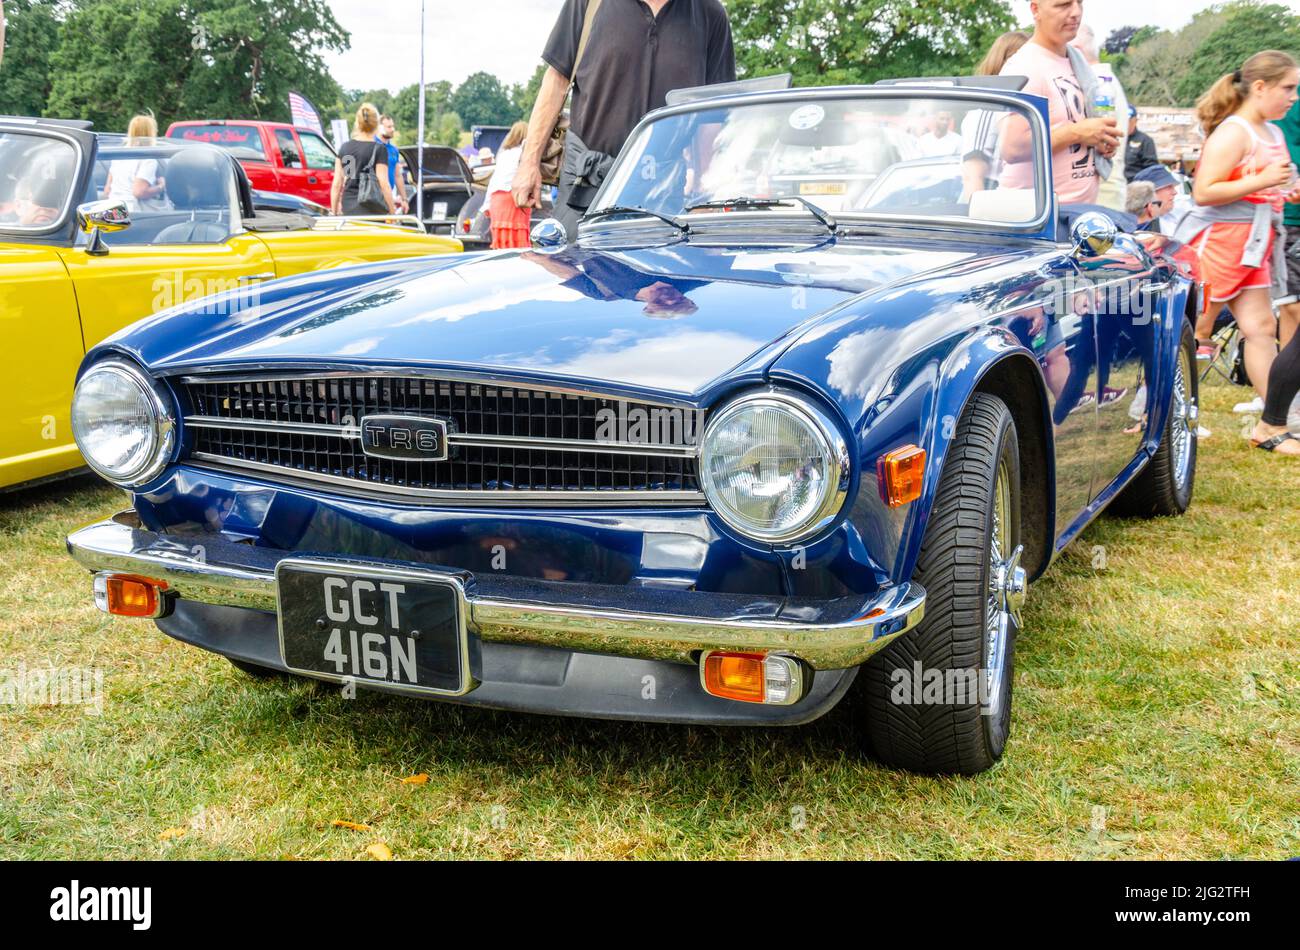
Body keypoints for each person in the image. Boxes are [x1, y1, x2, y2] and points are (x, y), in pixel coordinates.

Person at [512, 0, 737, 236]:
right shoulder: (588, 3)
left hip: (663, 195)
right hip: (585, 185)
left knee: (660, 261)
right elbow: (557, 80)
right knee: (573, 260)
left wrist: (704, 195)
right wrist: (529, 163)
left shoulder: (710, 13)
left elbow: (711, 115)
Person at [1172, 50, 1300, 410]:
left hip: (1254, 245)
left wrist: (1286, 191)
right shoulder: (1233, 132)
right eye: (1288, 88)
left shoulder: (1273, 131)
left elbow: (1268, 185)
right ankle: (1151, 412)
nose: (1294, 97)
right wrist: (1263, 180)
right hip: (1218, 244)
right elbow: (1204, 191)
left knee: (1261, 328)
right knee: (1194, 330)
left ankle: (1278, 415)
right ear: (1260, 87)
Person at [997, 0, 1120, 206]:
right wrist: (1077, 133)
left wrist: (1098, 139)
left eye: (1079, 2)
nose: (1076, 12)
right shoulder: (1025, 65)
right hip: (1038, 216)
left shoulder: (1076, 59)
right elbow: (1012, 148)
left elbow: (1072, 125)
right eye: (1063, 5)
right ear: (1035, 9)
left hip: (1075, 212)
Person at [961, 30, 1030, 199]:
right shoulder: (987, 108)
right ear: (1002, 61)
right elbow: (972, 176)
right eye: (1018, 59)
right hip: (994, 202)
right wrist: (982, 214)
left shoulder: (1023, 108)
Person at [1070, 23, 1129, 212]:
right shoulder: (1106, 81)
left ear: (1076, 49)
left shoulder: (1096, 85)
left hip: (1100, 192)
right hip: (1108, 189)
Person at [331, 103, 398, 217]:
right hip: (372, 206)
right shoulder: (379, 149)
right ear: (376, 124)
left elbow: (337, 184)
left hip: (348, 206)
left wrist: (334, 212)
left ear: (357, 123)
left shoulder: (344, 148)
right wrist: (392, 212)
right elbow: (384, 183)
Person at [102, 114, 169, 214]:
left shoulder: (118, 155)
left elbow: (107, 190)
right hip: (134, 213)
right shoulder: (147, 159)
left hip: (113, 210)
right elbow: (139, 192)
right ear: (150, 133)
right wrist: (161, 186)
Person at [483, 122, 531, 249]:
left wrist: (486, 205)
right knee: (518, 240)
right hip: (514, 198)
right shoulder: (524, 154)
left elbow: (493, 181)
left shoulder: (503, 155)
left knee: (500, 240)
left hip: (496, 200)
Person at [1129, 164, 1180, 232]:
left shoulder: (1175, 215)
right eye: (1169, 187)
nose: (1175, 192)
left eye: (1173, 187)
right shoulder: (1133, 227)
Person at [376, 115, 408, 214]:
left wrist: (404, 199)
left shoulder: (394, 150)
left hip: (390, 194)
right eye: (389, 127)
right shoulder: (372, 145)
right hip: (375, 194)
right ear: (380, 128)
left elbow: (398, 175)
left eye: (393, 126)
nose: (393, 129)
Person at [1124, 106, 1160, 182]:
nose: (1126, 124)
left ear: (1135, 121)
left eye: (1129, 121)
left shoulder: (1145, 140)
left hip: (1135, 184)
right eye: (1123, 121)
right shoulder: (1112, 138)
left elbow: (1151, 169)